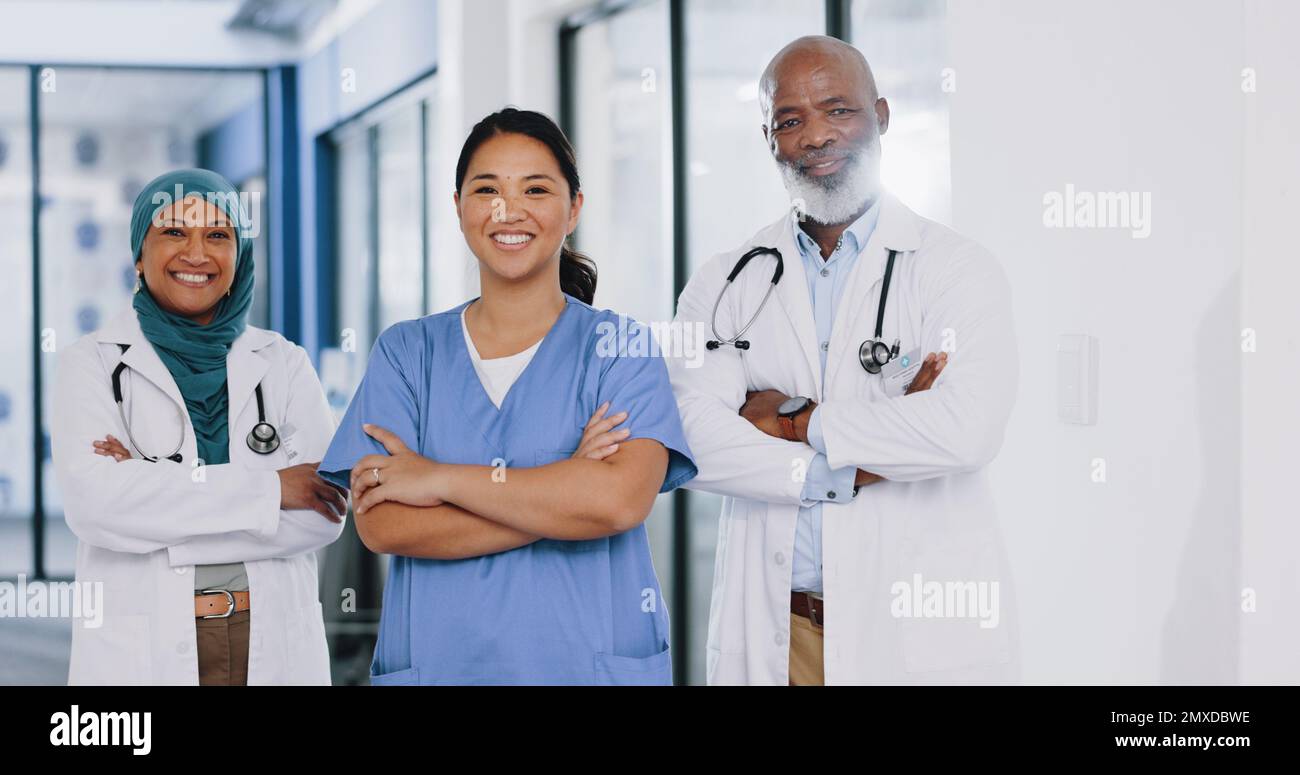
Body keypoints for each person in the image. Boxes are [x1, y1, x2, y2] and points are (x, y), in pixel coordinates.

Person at [669, 36, 1020, 685]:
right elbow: (687, 438)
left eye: (838, 110)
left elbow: (965, 429)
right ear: (769, 138)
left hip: (914, 637)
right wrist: (849, 466)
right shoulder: (726, 283)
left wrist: (797, 419)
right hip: (781, 633)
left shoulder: (954, 269)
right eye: (791, 120)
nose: (816, 137)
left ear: (881, 116)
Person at [318, 108, 696, 686]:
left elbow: (618, 503)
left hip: (586, 666)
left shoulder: (620, 346)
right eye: (487, 189)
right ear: (459, 207)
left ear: (573, 208)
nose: (507, 210)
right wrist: (566, 487)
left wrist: (438, 479)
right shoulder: (407, 353)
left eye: (536, 189)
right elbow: (385, 525)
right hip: (443, 666)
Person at [51, 169, 346, 685]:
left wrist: (153, 507)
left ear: (240, 254)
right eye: (173, 233)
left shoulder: (284, 362)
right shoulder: (91, 363)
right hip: (145, 649)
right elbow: (94, 507)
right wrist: (274, 489)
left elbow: (324, 515)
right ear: (139, 255)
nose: (196, 254)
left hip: (271, 639)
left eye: (217, 235)